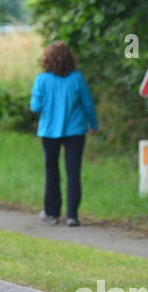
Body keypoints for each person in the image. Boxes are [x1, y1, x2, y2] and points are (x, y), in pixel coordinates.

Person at [29, 40, 99, 226]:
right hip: (75, 131)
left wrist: (49, 104)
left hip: (49, 131)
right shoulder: (77, 78)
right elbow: (88, 105)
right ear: (70, 58)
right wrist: (93, 125)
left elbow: (35, 106)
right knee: (73, 172)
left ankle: (52, 214)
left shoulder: (41, 80)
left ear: (47, 59)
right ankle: (72, 216)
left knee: (52, 172)